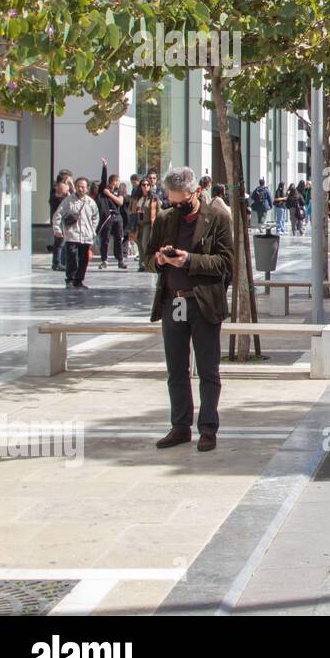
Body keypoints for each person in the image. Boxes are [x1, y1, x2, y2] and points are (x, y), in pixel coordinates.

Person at [144, 167, 234, 453]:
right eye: (172, 202)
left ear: (196, 192)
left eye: (182, 202)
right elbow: (147, 257)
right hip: (173, 300)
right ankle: (180, 426)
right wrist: (159, 260)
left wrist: (189, 261)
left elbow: (225, 263)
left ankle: (208, 428)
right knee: (176, 369)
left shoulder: (217, 218)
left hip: (203, 302)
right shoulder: (165, 219)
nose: (177, 208)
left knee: (208, 370)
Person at [53, 177, 98, 289]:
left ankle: (79, 280)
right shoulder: (68, 201)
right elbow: (58, 214)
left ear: (87, 189)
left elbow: (96, 217)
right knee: (72, 258)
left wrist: (93, 230)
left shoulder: (90, 202)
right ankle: (70, 280)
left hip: (86, 236)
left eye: (83, 187)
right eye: (78, 186)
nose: (80, 189)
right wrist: (57, 229)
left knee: (84, 259)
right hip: (72, 234)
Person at [97, 160, 128, 269]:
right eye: (117, 180)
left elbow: (120, 202)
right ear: (112, 181)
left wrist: (109, 194)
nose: (119, 182)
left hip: (117, 217)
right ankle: (104, 260)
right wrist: (104, 167)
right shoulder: (103, 189)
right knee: (105, 239)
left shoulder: (118, 191)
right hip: (107, 217)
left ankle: (120, 259)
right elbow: (103, 179)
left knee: (119, 238)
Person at [48, 178, 70, 270]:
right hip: (59, 221)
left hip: (61, 221)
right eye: (66, 188)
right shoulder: (57, 198)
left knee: (59, 243)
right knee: (59, 243)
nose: (67, 190)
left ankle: (57, 262)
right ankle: (57, 263)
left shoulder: (55, 196)